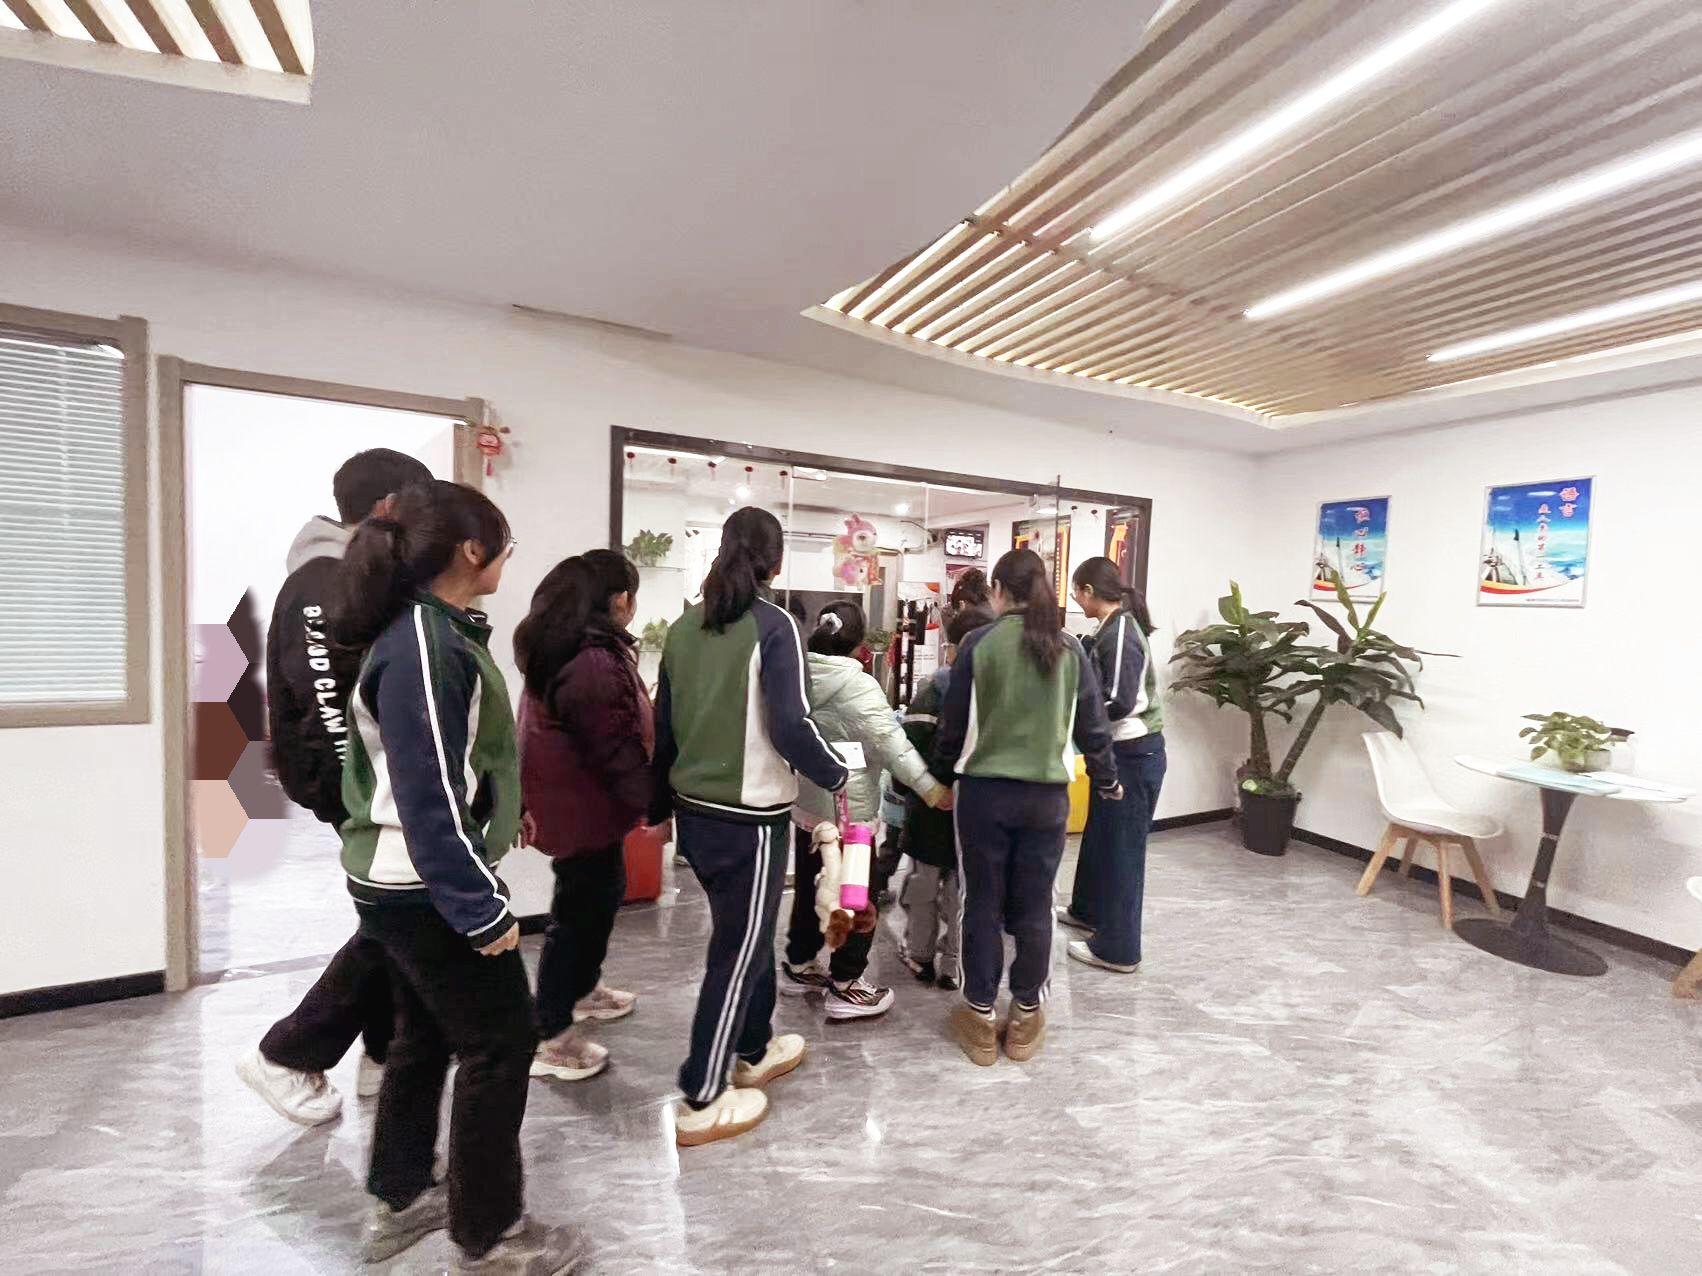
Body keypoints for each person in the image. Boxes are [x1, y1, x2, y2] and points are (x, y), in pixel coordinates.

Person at [333, 480, 578, 1272]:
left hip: (404, 881)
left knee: (426, 1037)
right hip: (425, 888)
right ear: (474, 550)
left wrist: (503, 810)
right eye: (506, 545)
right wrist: (478, 906)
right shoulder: (424, 646)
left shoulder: (432, 633)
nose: (507, 558)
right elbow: (428, 793)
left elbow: (458, 767)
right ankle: (490, 1234)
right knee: (502, 1044)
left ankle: (400, 1197)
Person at [236, 448, 431, 1127]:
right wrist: (366, 793)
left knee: (393, 918)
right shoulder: (322, 581)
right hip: (357, 786)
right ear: (387, 508)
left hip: (370, 783)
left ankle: (383, 1051)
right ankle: (287, 1053)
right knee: (394, 921)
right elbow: (327, 703)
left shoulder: (349, 574)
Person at [650, 507, 849, 1147]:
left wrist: (656, 806)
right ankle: (702, 1092)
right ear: (776, 562)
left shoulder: (685, 627)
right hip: (750, 822)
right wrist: (835, 770)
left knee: (748, 934)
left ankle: (754, 1047)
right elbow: (792, 724)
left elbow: (663, 725)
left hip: (694, 813)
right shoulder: (775, 624)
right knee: (737, 951)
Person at [932, 548, 1119, 1067]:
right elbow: (1094, 727)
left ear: (998, 590)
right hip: (1047, 800)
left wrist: (941, 779)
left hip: (983, 797)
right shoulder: (1069, 647)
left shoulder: (978, 642)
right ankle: (1025, 1016)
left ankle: (979, 1014)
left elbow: (951, 727)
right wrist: (1107, 780)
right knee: (1036, 906)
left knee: (981, 902)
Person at [514, 550, 650, 1082]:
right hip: (582, 806)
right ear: (619, 600)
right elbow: (613, 746)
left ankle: (582, 990)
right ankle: (548, 1032)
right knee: (577, 915)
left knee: (598, 896)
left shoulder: (571, 646)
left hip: (579, 805)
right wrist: (652, 802)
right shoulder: (591, 659)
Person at [781, 600, 951, 1019]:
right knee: (857, 897)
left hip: (807, 806)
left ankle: (799, 964)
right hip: (850, 816)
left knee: (811, 889)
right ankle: (847, 984)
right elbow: (893, 746)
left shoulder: (797, 677)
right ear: (859, 644)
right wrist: (931, 790)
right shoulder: (858, 686)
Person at [1061, 557, 1166, 974]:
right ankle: (1086, 911)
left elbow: (1120, 700)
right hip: (1116, 752)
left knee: (1123, 852)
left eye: (1076, 591)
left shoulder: (1121, 631)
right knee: (1100, 837)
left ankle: (1118, 950)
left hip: (1136, 754)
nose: (1075, 598)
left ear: (1088, 591)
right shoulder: (1107, 630)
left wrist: (1073, 721)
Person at [897, 603, 994, 990]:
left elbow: (909, 748)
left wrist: (913, 789)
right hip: (973, 807)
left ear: (951, 648)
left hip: (928, 807)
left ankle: (920, 955)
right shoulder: (994, 694)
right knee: (961, 889)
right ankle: (953, 963)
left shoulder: (933, 691)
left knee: (923, 884)